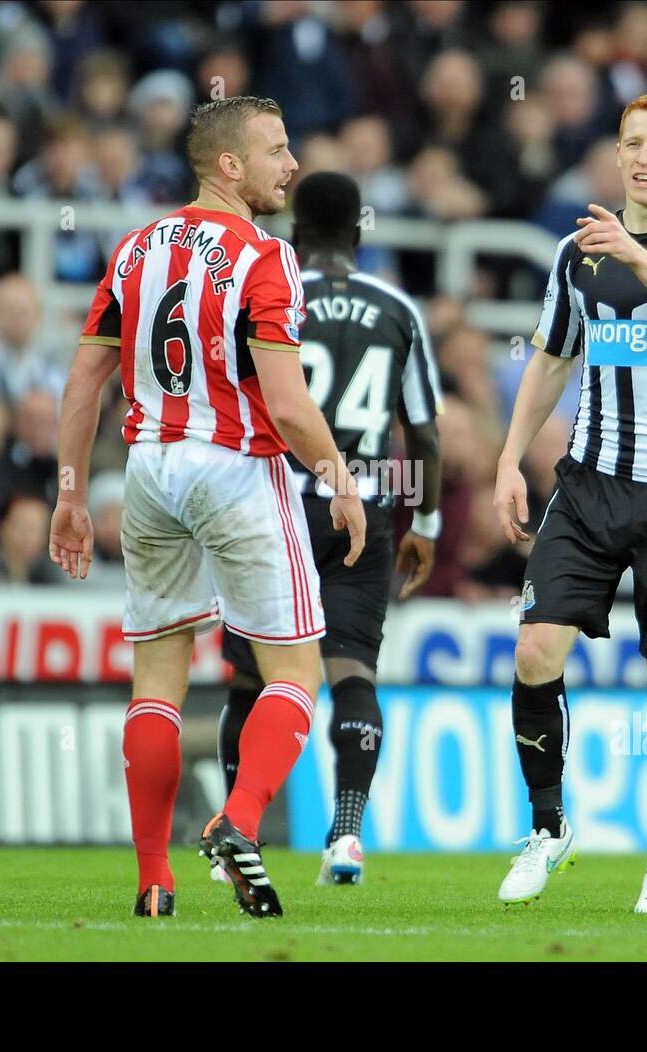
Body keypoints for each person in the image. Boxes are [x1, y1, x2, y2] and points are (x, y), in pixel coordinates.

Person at [49, 96, 366, 921]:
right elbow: (291, 408)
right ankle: (239, 819)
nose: (291, 164)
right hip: (234, 467)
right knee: (293, 670)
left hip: (149, 470)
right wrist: (339, 477)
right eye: (277, 149)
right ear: (230, 166)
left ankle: (154, 879)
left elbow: (85, 381)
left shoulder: (135, 250)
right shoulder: (266, 258)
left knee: (156, 678)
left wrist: (73, 492)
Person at [493, 92, 647, 914]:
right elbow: (551, 358)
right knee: (535, 650)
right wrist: (507, 460)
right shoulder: (577, 255)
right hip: (589, 484)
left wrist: (635, 255)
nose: (644, 157)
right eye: (633, 142)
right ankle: (546, 826)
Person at [217, 171, 443, 887]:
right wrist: (426, 523)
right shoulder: (396, 307)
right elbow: (427, 434)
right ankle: (345, 835)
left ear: (293, 231)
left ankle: (237, 832)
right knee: (352, 672)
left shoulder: (267, 291)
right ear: (359, 232)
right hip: (364, 509)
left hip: (272, 505)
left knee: (252, 680)